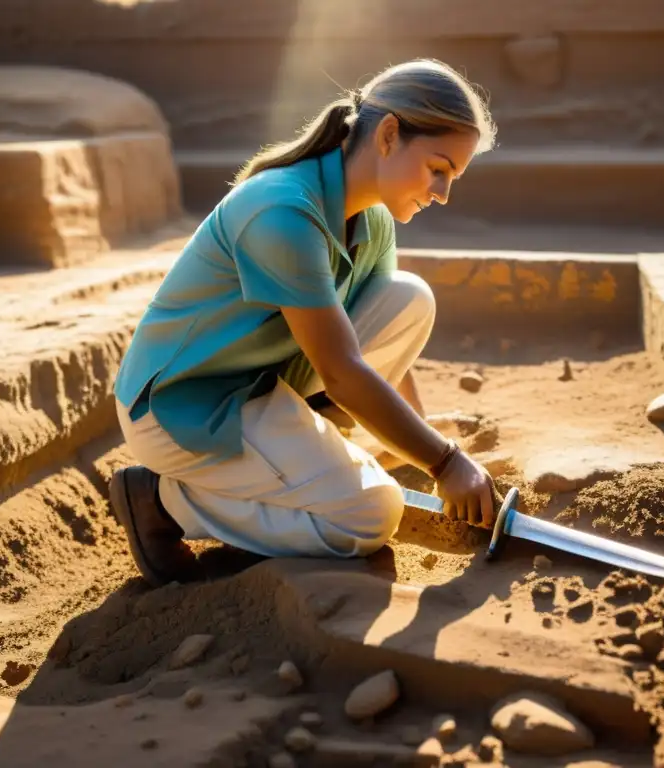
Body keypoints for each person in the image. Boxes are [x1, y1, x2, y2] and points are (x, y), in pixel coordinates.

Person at [110, 58, 499, 586]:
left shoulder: (373, 215)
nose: (442, 192)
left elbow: (365, 353)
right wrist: (446, 463)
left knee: (409, 298)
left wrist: (420, 445)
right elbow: (341, 370)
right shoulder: (282, 212)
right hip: (187, 408)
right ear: (388, 135)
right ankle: (164, 502)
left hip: (266, 384)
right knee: (370, 517)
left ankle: (302, 453)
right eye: (438, 168)